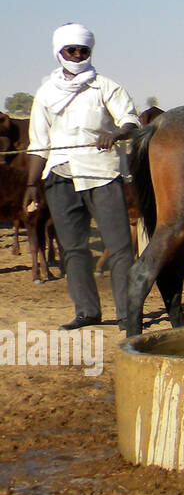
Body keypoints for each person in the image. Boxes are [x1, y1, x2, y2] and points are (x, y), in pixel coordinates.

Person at [24, 24, 140, 330]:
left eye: (83, 50)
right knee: (73, 248)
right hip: (60, 176)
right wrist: (32, 184)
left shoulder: (105, 87)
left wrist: (115, 135)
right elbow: (38, 143)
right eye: (70, 50)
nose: (77, 55)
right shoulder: (46, 93)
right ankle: (87, 312)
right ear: (58, 52)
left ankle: (129, 315)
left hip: (101, 173)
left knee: (118, 248)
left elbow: (130, 121)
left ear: (90, 52)